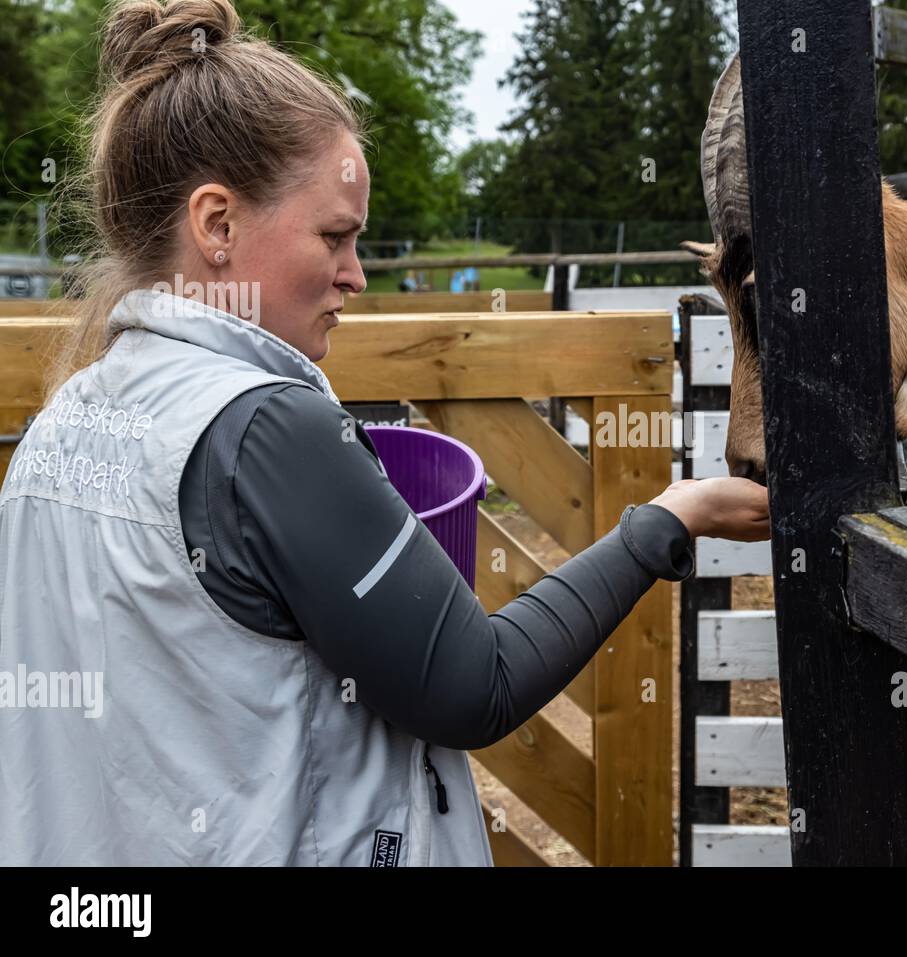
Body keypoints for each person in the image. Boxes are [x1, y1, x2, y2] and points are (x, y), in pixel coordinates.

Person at [0, 0, 769, 867]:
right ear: (216, 224)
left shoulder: (54, 429)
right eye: (335, 235)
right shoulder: (265, 432)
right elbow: (477, 684)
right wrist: (668, 518)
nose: (356, 274)